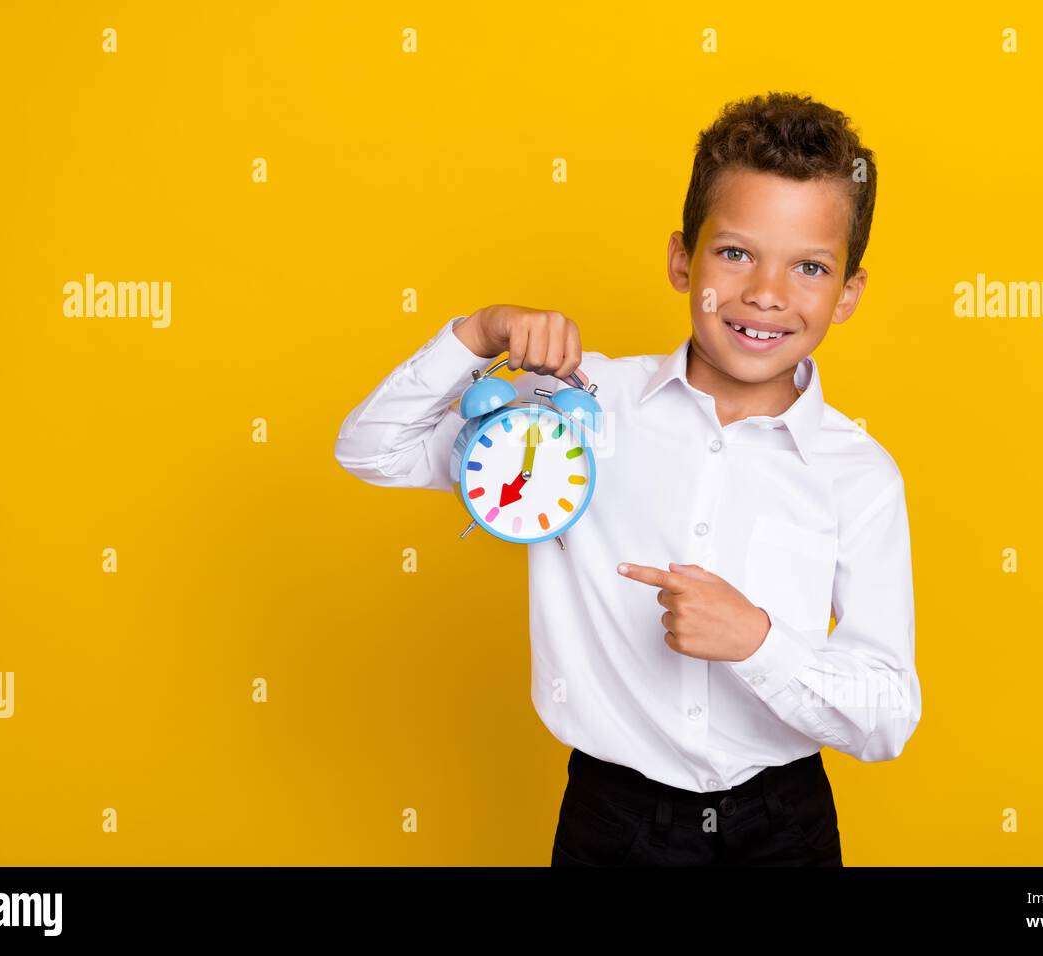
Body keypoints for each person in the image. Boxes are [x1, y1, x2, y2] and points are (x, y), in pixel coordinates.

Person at [334, 91, 921, 866]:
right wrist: (480, 333)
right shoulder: (583, 405)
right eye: (736, 252)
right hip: (612, 825)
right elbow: (371, 447)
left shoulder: (860, 474)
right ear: (683, 259)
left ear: (847, 293)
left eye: (809, 266)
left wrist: (758, 642)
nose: (767, 293)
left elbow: (888, 716)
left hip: (785, 830)